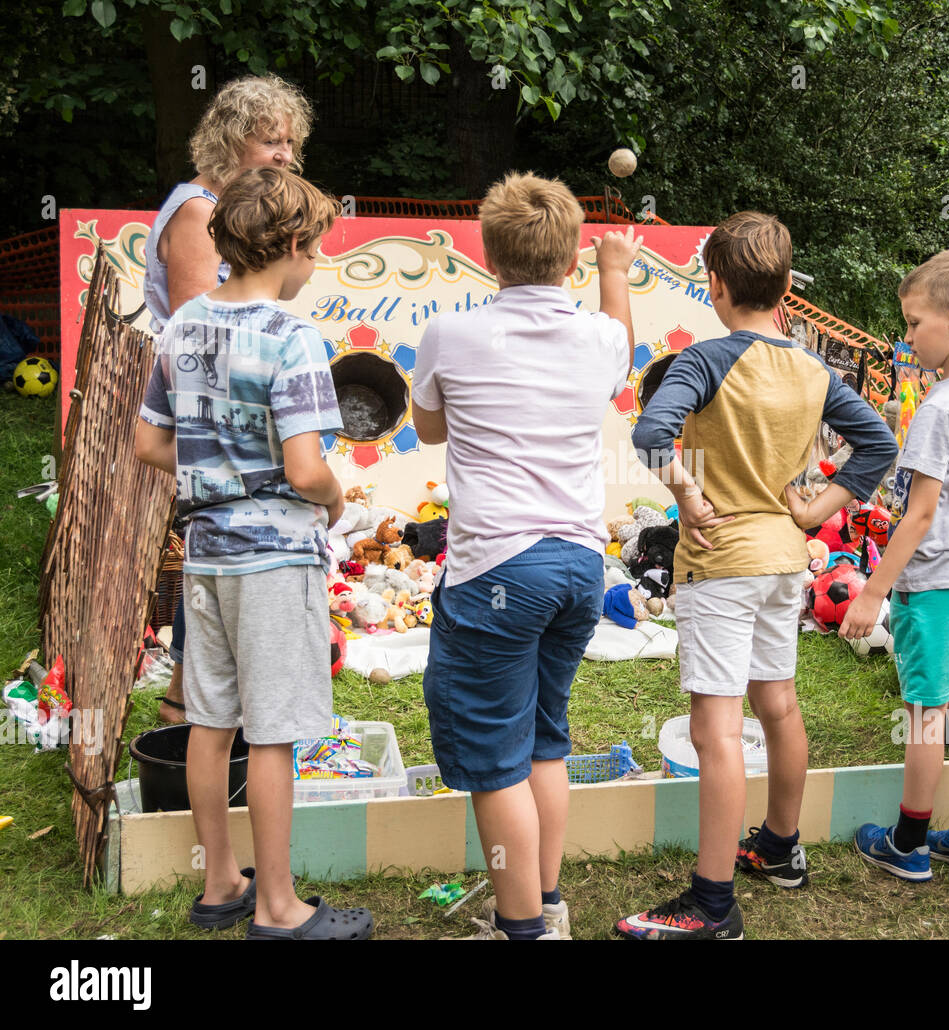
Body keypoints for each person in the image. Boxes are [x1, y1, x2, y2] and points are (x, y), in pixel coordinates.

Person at [614, 212, 897, 940]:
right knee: (778, 702)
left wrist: (686, 491)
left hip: (721, 566)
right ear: (782, 290)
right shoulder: (812, 366)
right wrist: (815, 508)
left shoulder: (706, 358)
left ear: (715, 284)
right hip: (782, 564)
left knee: (717, 727)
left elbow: (650, 434)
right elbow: (877, 443)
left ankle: (711, 904)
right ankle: (780, 847)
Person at [134, 166, 372, 940]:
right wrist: (338, 503)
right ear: (295, 245)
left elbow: (148, 443)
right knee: (272, 732)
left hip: (203, 556)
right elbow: (306, 470)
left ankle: (219, 883)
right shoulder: (294, 337)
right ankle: (278, 907)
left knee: (211, 721)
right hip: (273, 561)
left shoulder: (182, 325)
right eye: (317, 250)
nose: (316, 265)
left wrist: (218, 467)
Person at [411, 172, 642, 940]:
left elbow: (432, 427)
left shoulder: (451, 333)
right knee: (545, 736)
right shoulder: (602, 338)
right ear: (570, 260)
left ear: (488, 257)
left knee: (493, 757)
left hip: (497, 572)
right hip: (579, 567)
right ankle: (543, 903)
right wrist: (615, 273)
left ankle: (522, 929)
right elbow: (621, 343)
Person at [143, 74, 313, 726]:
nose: (285, 155)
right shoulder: (196, 211)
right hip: (209, 417)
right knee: (218, 550)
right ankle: (190, 707)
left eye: (290, 143)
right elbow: (197, 332)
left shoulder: (224, 213)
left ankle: (192, 704)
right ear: (231, 140)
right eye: (272, 140)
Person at [840, 249, 949, 884]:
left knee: (923, 711)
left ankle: (908, 841)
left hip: (934, 580)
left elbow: (919, 515)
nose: (906, 337)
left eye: (914, 324)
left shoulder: (940, 408)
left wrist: (871, 592)